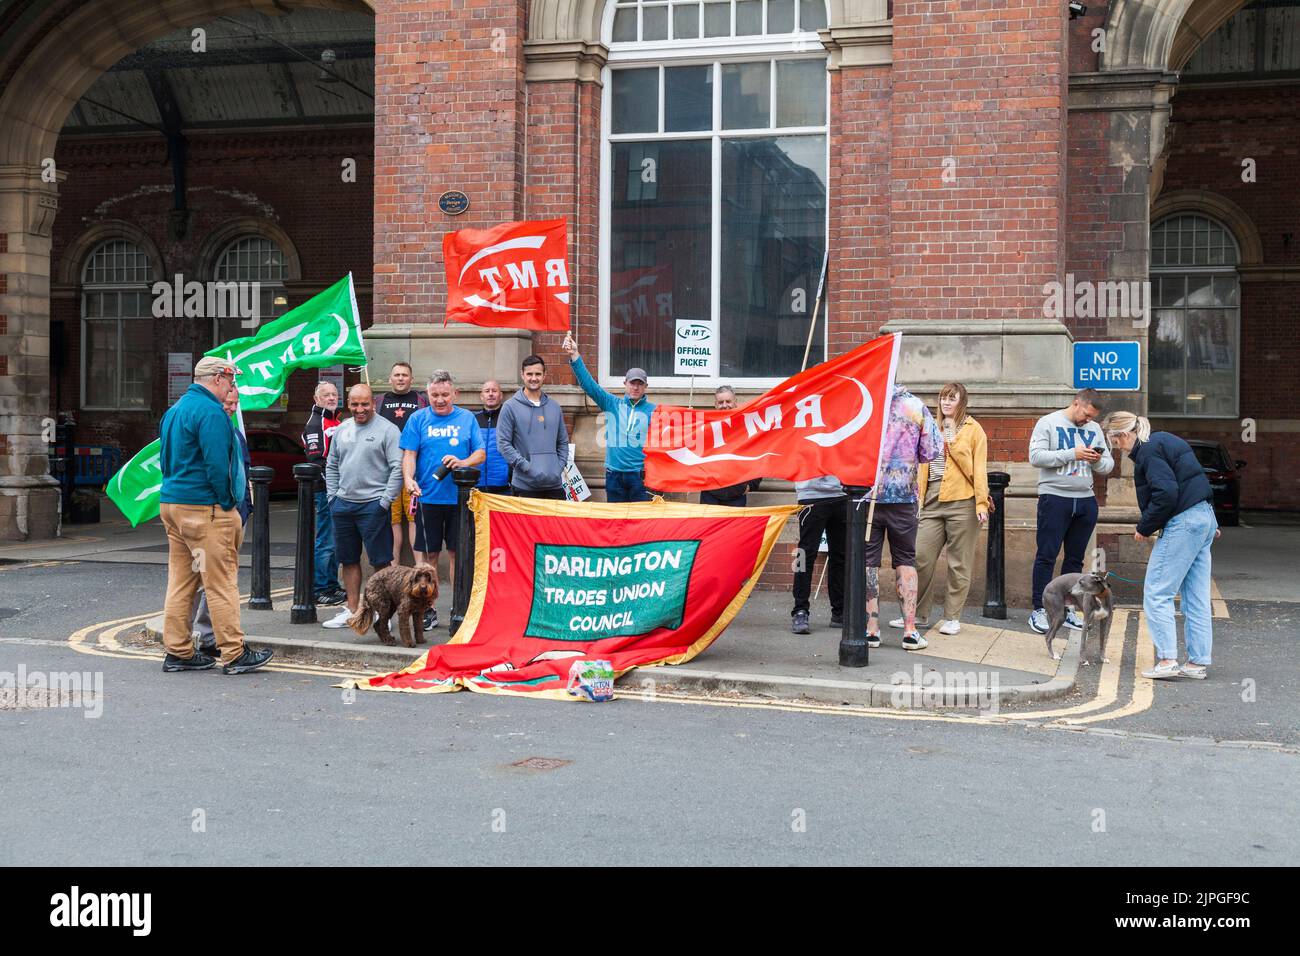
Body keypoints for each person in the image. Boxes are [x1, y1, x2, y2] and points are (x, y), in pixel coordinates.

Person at [158, 356, 272, 675]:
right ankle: (234, 653)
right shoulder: (211, 412)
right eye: (231, 381)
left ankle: (178, 651)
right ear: (218, 378)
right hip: (205, 509)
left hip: (173, 504)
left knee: (182, 581)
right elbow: (218, 466)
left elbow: (165, 461)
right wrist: (227, 504)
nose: (232, 388)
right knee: (221, 581)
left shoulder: (175, 410)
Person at [1103, 412, 1219, 680]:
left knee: (1157, 591)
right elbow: (1196, 479)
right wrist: (1209, 521)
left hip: (1183, 523)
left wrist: (1144, 527)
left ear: (1122, 435)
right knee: (1196, 596)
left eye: (1115, 442)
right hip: (1203, 517)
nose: (1117, 448)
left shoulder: (1149, 451)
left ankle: (1167, 660)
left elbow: (1166, 494)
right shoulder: (1165, 440)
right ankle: (1197, 662)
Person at [891, 382, 989, 636]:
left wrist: (981, 502)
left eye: (952, 398)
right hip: (931, 500)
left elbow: (978, 469)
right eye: (943, 398)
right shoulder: (928, 424)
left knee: (959, 562)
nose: (946, 403)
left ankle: (952, 617)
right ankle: (917, 614)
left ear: (962, 401)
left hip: (963, 500)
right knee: (920, 558)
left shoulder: (973, 429)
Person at [401, 370, 486, 630]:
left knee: (457, 554)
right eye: (435, 395)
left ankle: (458, 607)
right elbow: (409, 455)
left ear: (455, 394)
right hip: (429, 497)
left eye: (445, 395)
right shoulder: (417, 419)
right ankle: (428, 610)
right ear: (428, 395)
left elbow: (480, 453)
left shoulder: (467, 418)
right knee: (430, 556)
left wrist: (462, 462)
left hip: (461, 500)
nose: (440, 400)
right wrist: (408, 480)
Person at [1027, 388, 1114, 635]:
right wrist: (1072, 454)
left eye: (1092, 417)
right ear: (1076, 403)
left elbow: (1108, 465)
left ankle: (1068, 611)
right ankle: (1040, 610)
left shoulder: (1094, 429)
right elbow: (1035, 457)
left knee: (1075, 560)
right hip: (1054, 497)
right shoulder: (1049, 423)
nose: (1088, 420)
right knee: (1047, 555)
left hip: (1085, 500)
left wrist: (1095, 460)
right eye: (1086, 414)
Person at [321, 384, 404, 629]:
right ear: (348, 404)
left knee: (381, 562)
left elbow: (397, 468)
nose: (360, 409)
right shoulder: (343, 429)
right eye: (355, 404)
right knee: (348, 560)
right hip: (343, 505)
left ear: (373, 403)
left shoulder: (388, 430)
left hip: (373, 506)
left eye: (365, 404)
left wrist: (384, 501)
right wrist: (332, 498)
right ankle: (353, 610)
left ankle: (383, 615)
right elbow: (332, 464)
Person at [868, 384, 942, 651]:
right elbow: (930, 451)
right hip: (903, 495)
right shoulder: (915, 406)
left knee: (868, 562)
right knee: (906, 560)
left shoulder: (866, 402)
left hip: (868, 496)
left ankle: (871, 629)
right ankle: (910, 630)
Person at [191, 387, 253, 656]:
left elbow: (244, 471)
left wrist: (245, 507)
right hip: (216, 514)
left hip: (235, 513)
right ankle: (208, 637)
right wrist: (228, 506)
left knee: (216, 577)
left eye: (235, 403)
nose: (232, 408)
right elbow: (216, 471)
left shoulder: (235, 433)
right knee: (211, 579)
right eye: (228, 402)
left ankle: (200, 635)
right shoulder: (211, 428)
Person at [562, 331, 655, 502]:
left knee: (639, 525)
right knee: (616, 526)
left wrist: (688, 416)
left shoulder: (654, 411)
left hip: (640, 478)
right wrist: (575, 355)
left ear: (645, 387)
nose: (635, 387)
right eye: (632, 383)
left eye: (639, 384)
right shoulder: (612, 403)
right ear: (625, 384)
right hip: (614, 477)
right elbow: (590, 386)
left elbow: (677, 431)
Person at [375, 361, 429, 562]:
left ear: (411, 379)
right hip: (387, 470)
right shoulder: (379, 401)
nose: (400, 378)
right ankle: (393, 568)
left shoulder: (421, 401)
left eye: (404, 375)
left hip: (415, 470)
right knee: (393, 520)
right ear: (390, 379)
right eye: (396, 375)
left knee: (415, 518)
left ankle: (420, 568)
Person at [497, 355, 570, 500]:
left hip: (554, 485)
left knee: (554, 524)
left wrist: (558, 467)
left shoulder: (554, 407)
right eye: (529, 374)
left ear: (544, 376)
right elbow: (503, 444)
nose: (533, 378)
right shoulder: (510, 407)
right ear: (522, 375)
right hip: (525, 486)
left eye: (538, 374)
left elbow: (563, 442)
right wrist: (525, 466)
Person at [303, 382, 345, 606]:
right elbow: (317, 460)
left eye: (334, 394)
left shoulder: (336, 420)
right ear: (316, 399)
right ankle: (320, 588)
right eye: (326, 395)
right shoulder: (315, 423)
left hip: (340, 491)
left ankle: (332, 585)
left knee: (336, 541)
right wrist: (333, 490)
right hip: (325, 491)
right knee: (326, 541)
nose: (331, 398)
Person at [790, 475, 846, 634]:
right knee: (803, 555)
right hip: (810, 495)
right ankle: (800, 609)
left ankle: (839, 611)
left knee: (840, 556)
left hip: (841, 493)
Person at [700, 386, 761, 507]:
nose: (724, 405)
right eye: (720, 402)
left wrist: (751, 485)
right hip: (709, 495)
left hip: (737, 495)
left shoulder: (747, 428)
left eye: (728, 401)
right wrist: (689, 420)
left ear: (735, 403)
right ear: (715, 405)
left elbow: (758, 457)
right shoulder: (704, 427)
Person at [476, 379, 512, 495]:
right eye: (487, 391)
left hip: (504, 488)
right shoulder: (472, 419)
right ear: (482, 396)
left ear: (501, 395)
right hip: (476, 487)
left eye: (494, 391)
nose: (490, 394)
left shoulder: (509, 418)